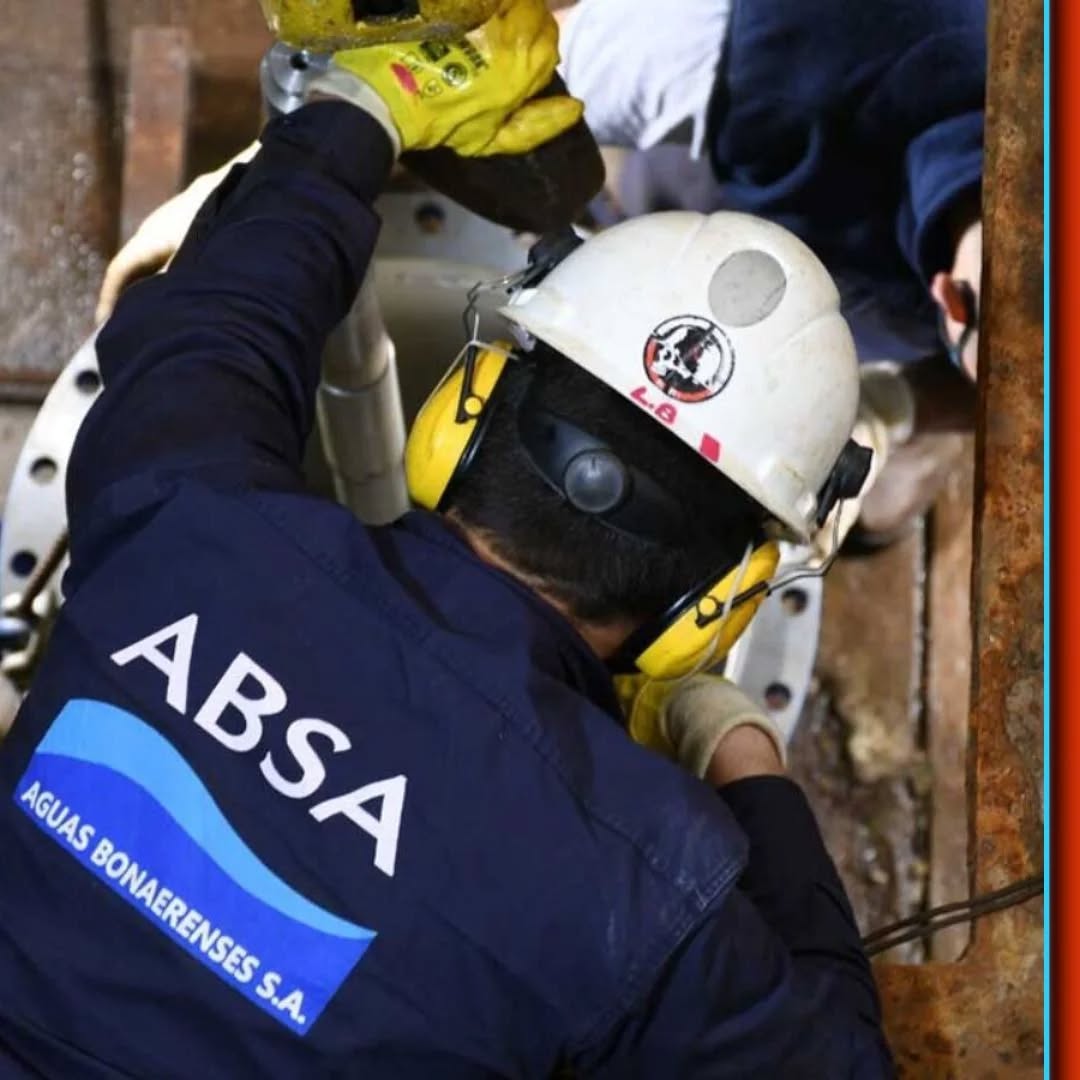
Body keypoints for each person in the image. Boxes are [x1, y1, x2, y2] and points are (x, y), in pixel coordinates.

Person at [0, 1, 893, 1075]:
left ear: (458, 414)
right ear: (719, 608)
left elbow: (217, 320)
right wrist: (734, 748)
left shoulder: (182, 508)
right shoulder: (646, 895)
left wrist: (364, 106)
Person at [556, 0, 986, 382]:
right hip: (736, 85)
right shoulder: (789, 46)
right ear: (950, 299)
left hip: (737, 197)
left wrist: (898, 410)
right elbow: (535, 65)